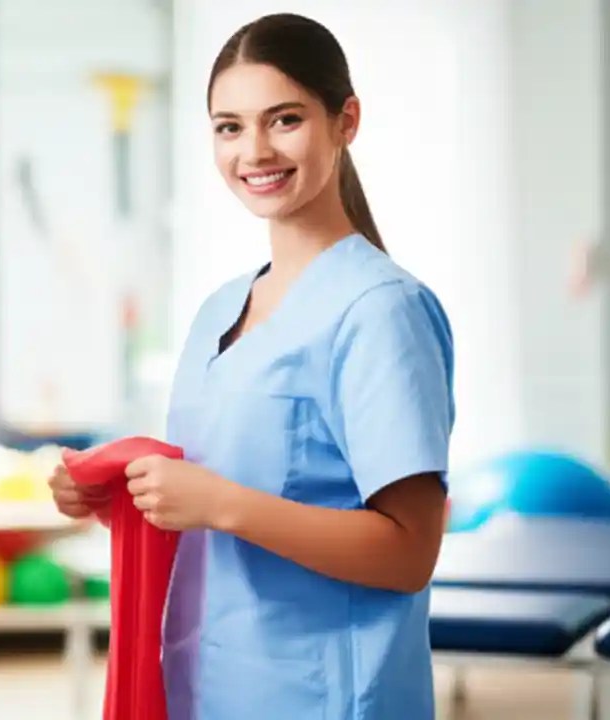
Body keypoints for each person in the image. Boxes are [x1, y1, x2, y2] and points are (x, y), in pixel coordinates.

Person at [49, 12, 454, 720]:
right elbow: (226, 496)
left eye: (285, 119)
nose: (254, 150)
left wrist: (217, 503)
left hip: (323, 693)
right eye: (229, 126)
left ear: (345, 120)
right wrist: (119, 498)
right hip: (208, 680)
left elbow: (408, 553)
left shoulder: (379, 310)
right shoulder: (219, 310)